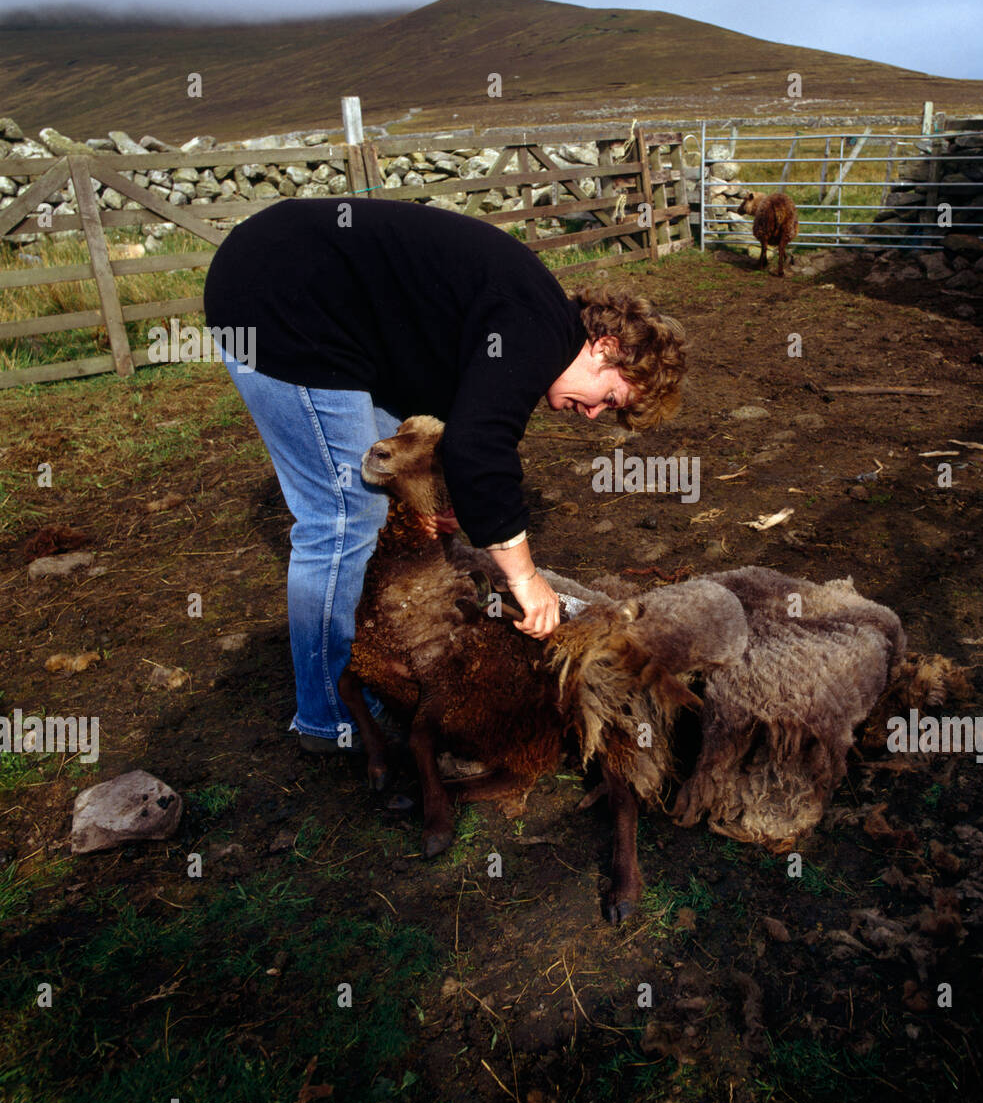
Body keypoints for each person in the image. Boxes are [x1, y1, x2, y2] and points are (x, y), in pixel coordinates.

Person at [203, 195, 686, 753]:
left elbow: (469, 429)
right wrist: (525, 579)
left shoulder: (535, 327)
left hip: (320, 304)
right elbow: (480, 446)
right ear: (607, 348)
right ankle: (326, 717)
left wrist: (449, 502)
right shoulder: (536, 331)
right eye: (610, 400)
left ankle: (372, 668)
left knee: (379, 488)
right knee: (342, 518)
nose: (596, 415)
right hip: (280, 301)